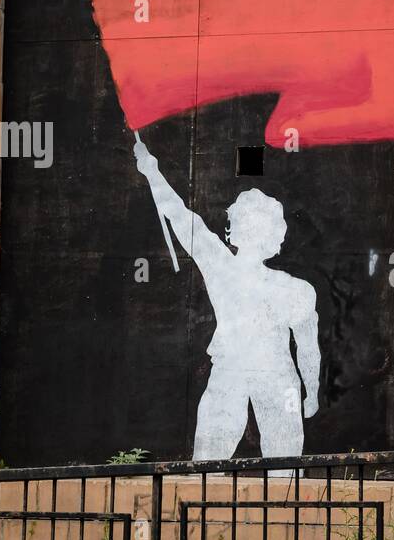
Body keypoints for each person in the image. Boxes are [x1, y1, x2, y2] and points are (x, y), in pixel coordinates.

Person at [135, 136, 320, 468]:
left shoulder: (223, 267)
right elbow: (308, 350)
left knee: (207, 469)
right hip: (264, 378)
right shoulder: (296, 289)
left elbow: (181, 217)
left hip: (245, 374)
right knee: (280, 467)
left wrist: (152, 172)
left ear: (235, 229)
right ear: (276, 235)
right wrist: (313, 391)